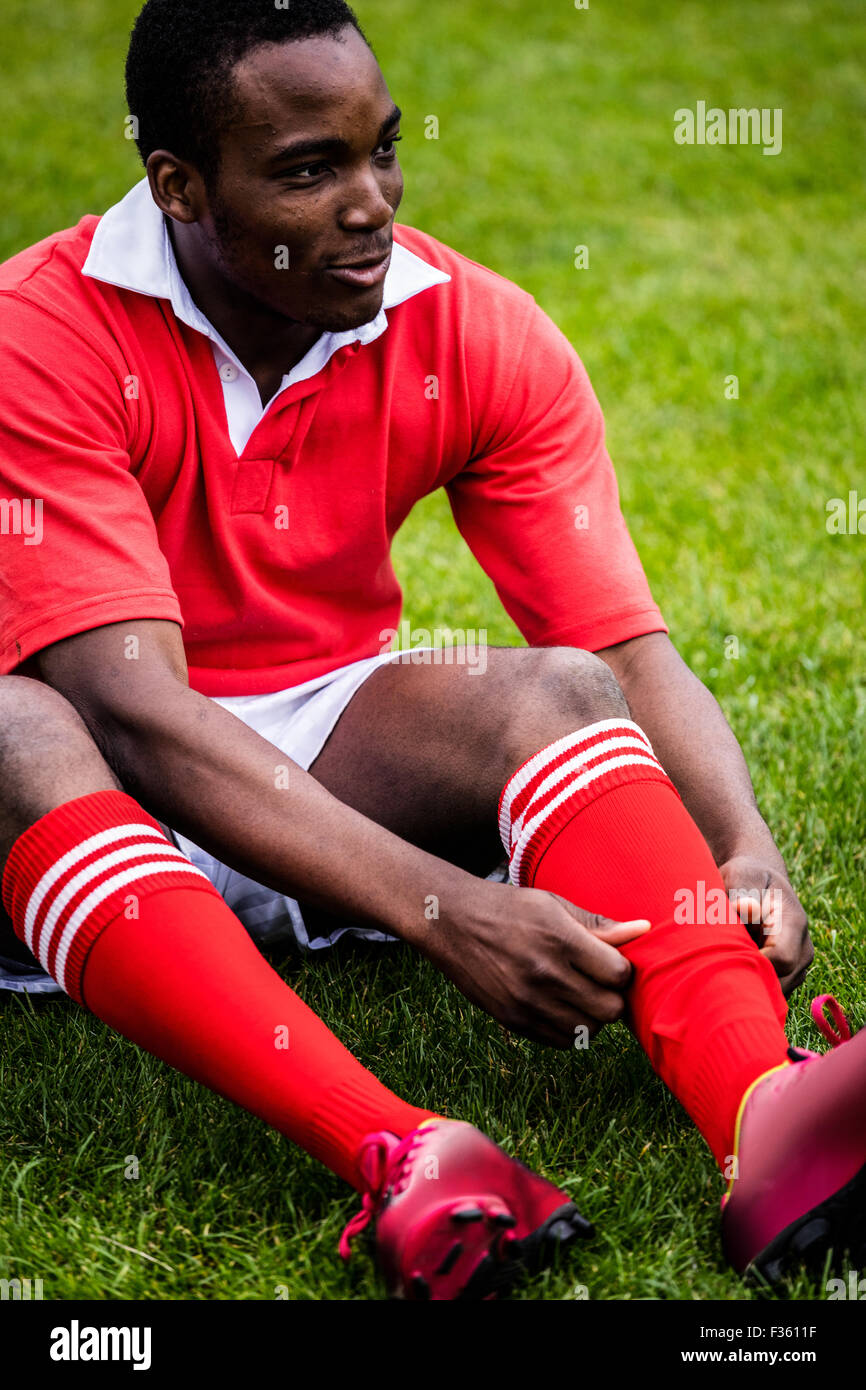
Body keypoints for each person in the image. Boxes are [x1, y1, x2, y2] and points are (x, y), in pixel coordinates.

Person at [1, 0, 861, 1300]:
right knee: (13, 721)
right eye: (307, 168)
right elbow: (131, 714)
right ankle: (403, 1152)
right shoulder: (40, 331)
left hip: (321, 759)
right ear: (178, 185)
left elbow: (617, 645)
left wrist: (738, 851)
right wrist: (439, 905)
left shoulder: (470, 327)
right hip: (84, 797)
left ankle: (762, 1114)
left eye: (379, 152)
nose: (368, 204)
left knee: (557, 689)